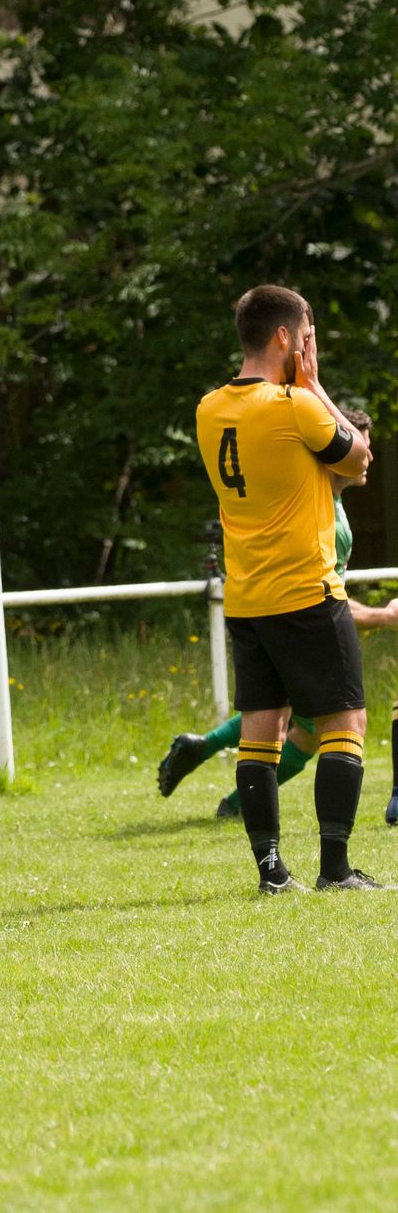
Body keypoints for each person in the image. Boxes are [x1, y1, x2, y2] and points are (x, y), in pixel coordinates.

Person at [193, 284, 376, 893]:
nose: (307, 346)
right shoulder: (295, 405)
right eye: (306, 336)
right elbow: (358, 460)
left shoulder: (210, 408)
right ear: (284, 338)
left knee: (260, 731)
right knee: (344, 721)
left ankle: (272, 873)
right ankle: (335, 869)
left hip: (246, 597)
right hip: (306, 590)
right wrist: (315, 382)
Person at [157, 407, 397, 818]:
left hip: (259, 611)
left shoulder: (316, 499)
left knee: (274, 712)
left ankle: (210, 756)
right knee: (310, 731)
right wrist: (385, 617)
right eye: (360, 445)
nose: (367, 457)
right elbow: (325, 599)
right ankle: (242, 809)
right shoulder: (330, 520)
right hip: (302, 626)